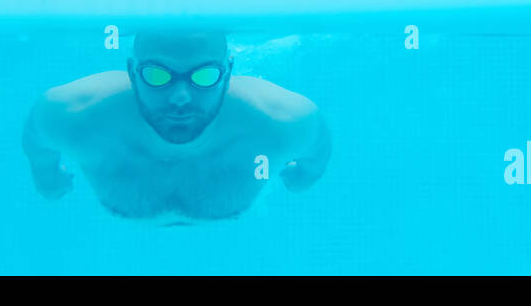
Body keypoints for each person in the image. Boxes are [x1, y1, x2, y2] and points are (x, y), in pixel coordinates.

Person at [22, 30, 330, 223]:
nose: (180, 97)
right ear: (131, 71)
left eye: (205, 76)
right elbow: (37, 138)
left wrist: (306, 175)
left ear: (229, 72)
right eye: (157, 74)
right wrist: (44, 173)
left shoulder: (282, 121)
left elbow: (317, 152)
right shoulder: (72, 115)